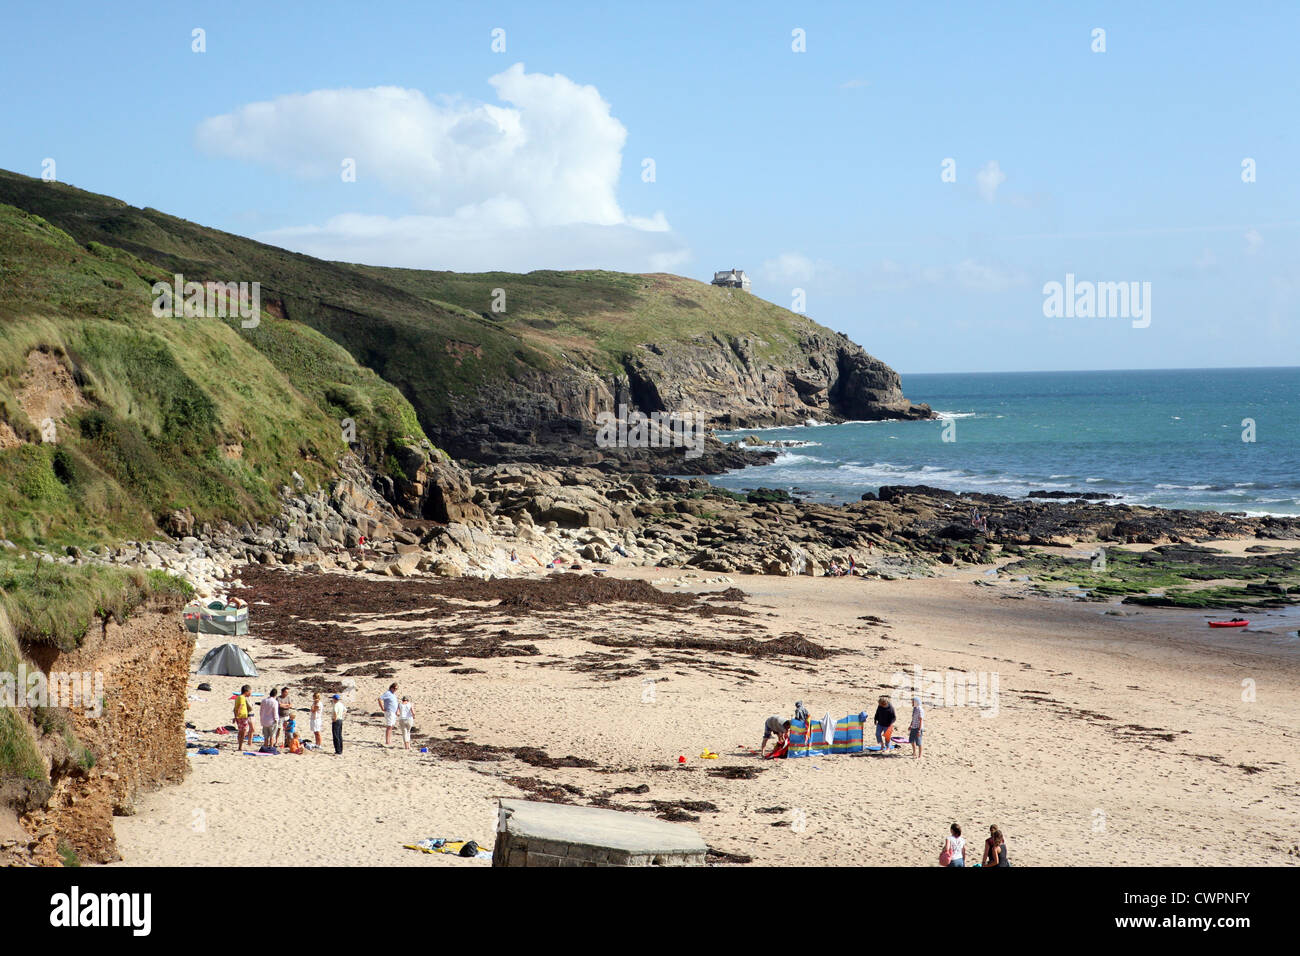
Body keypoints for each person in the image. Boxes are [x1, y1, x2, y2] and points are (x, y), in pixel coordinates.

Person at [233, 685, 254, 750]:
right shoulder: (242, 698)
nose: (250, 693)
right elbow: (240, 706)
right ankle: (240, 746)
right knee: (243, 731)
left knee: (241, 731)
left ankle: (240, 746)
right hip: (242, 716)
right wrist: (237, 716)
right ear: (246, 691)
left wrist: (235, 716)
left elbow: (235, 708)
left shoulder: (238, 697)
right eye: (250, 691)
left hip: (240, 716)